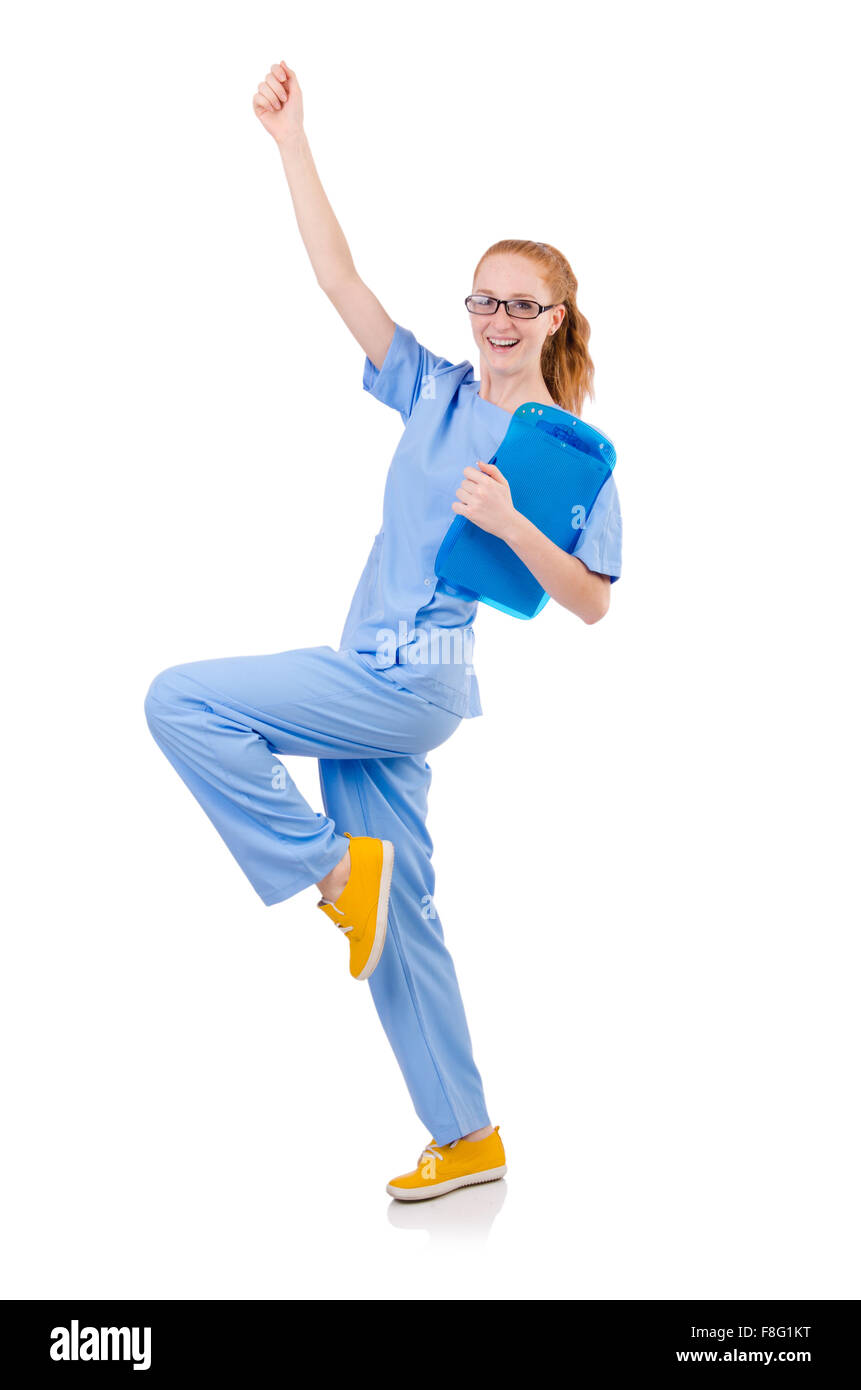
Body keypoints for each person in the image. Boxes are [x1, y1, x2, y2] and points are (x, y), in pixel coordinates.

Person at [144, 60, 623, 1202]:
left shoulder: (563, 451)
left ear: (554, 319)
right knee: (399, 912)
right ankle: (468, 1137)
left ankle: (322, 866)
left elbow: (597, 596)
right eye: (482, 298)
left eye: (518, 303)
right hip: (368, 672)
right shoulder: (434, 389)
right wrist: (291, 143)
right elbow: (336, 277)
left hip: (421, 678)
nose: (495, 318)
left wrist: (514, 521)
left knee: (181, 698)